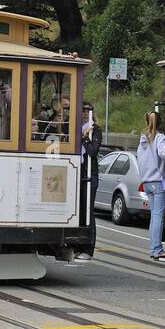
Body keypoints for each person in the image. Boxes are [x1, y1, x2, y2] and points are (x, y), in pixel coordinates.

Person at [135, 111, 165, 260]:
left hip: (147, 182)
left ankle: (153, 246)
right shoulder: (159, 137)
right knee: (158, 216)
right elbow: (164, 154)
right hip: (158, 181)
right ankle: (157, 249)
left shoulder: (143, 140)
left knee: (153, 216)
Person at [77, 101, 101, 261]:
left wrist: (85, 138)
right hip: (77, 173)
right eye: (83, 110)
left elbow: (92, 152)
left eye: (88, 110)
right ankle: (76, 245)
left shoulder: (95, 130)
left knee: (88, 211)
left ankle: (88, 248)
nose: (85, 113)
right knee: (78, 211)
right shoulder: (74, 128)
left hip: (89, 175)